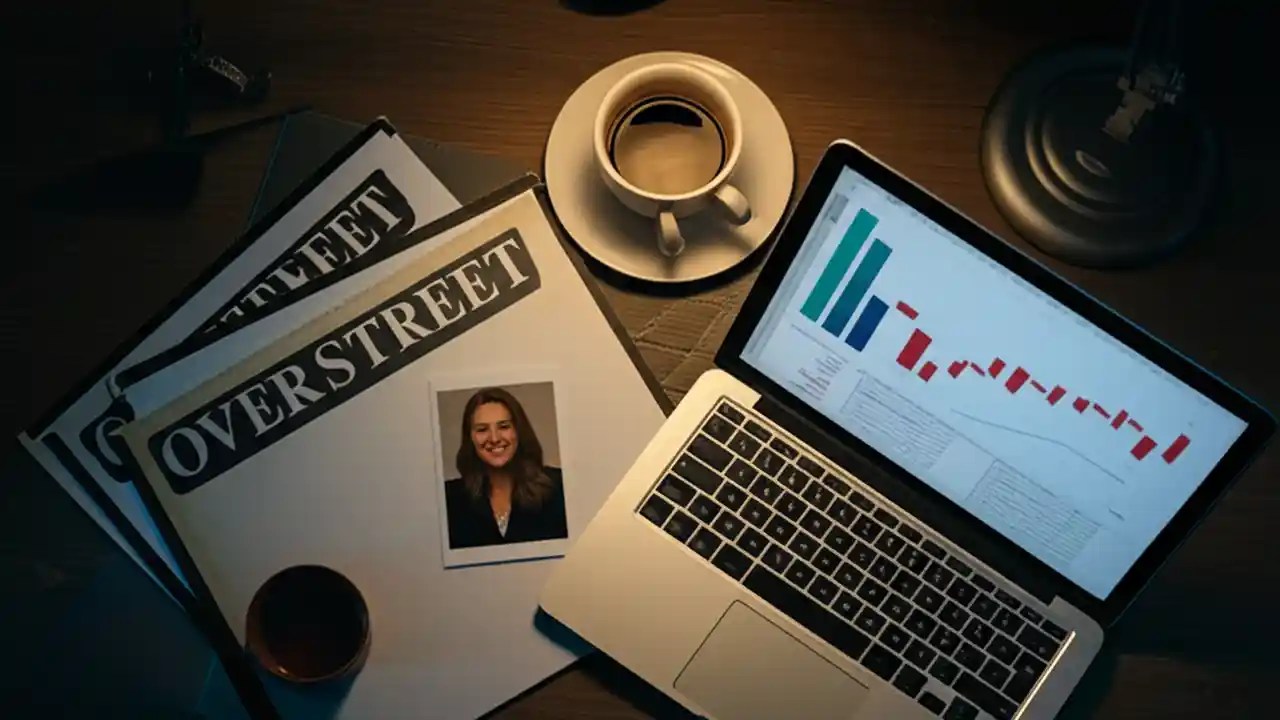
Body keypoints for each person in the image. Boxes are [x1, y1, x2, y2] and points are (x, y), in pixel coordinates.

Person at [443, 387, 567, 549]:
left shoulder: (559, 487)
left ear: (518, 431)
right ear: (470, 438)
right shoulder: (449, 499)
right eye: (482, 430)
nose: (494, 438)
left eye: (504, 427)